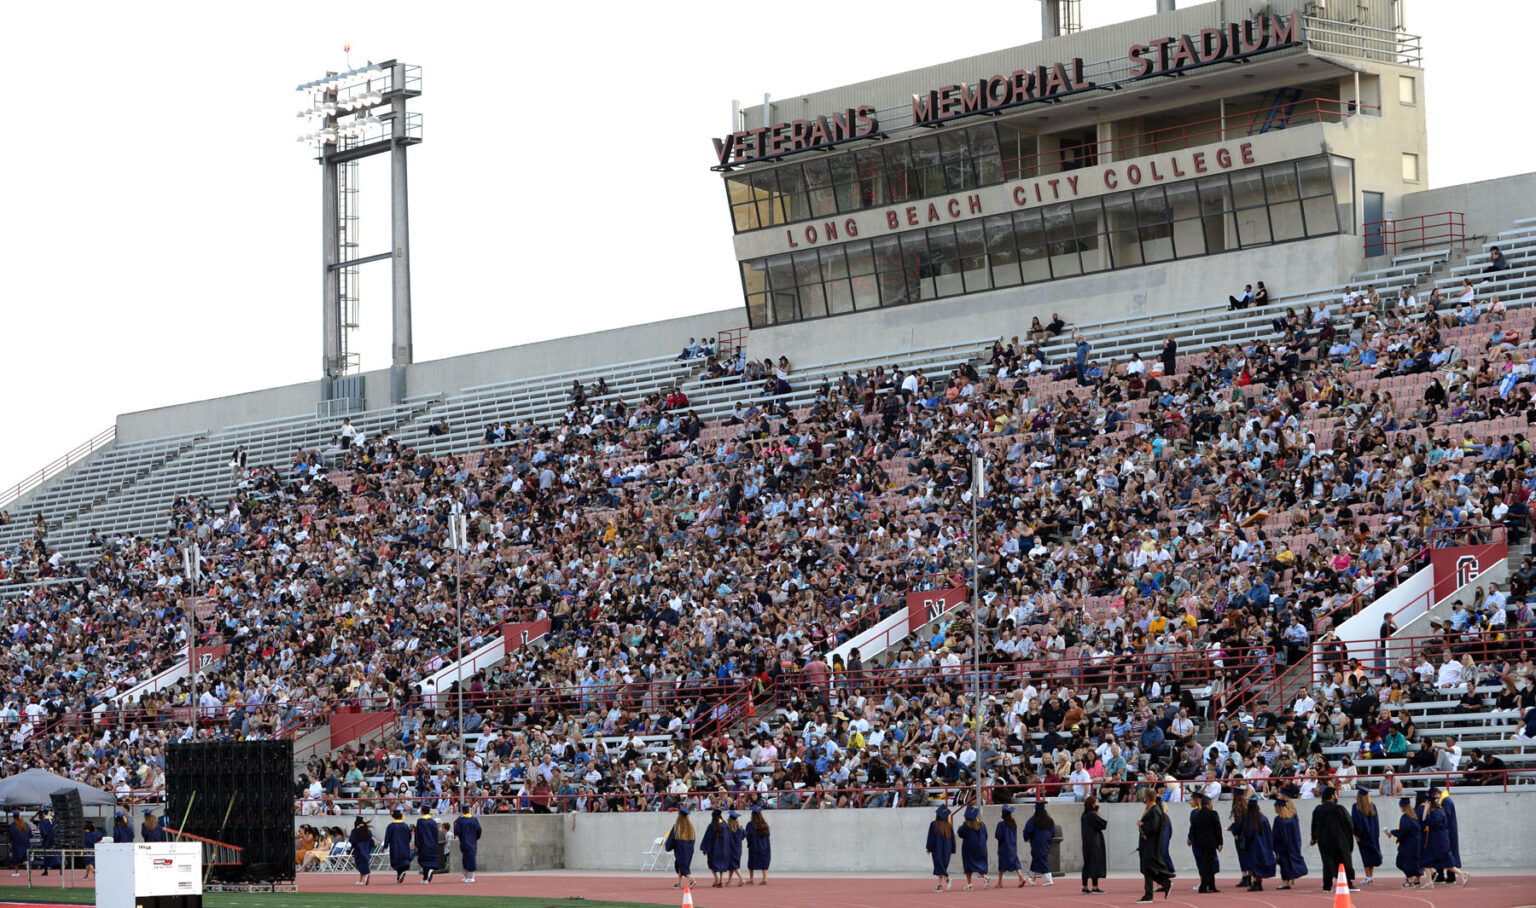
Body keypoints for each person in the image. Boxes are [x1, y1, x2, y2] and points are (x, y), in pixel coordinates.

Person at [1310, 786, 1357, 892]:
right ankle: (1348, 883)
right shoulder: (1338, 808)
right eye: (1335, 794)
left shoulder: (1318, 809)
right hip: (1339, 840)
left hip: (1324, 841)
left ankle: (1327, 885)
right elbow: (1349, 823)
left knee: (1327, 863)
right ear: (1332, 796)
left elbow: (1314, 825)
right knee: (1343, 861)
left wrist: (1313, 838)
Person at [1137, 790, 1175, 902]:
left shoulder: (1154, 810)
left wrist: (1142, 825)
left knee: (1148, 868)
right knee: (1148, 869)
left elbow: (1153, 828)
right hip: (1147, 844)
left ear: (1147, 798)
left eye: (1144, 796)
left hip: (1151, 844)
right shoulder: (1151, 809)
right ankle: (1165, 883)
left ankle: (1149, 895)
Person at [1421, 796, 1466, 886]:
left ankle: (1462, 874)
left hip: (1439, 841)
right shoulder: (1439, 811)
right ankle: (1429, 881)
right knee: (1427, 862)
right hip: (1438, 840)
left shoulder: (1436, 813)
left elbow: (1426, 821)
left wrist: (1425, 810)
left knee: (1446, 863)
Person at [1271, 789, 1308, 890]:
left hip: (1282, 846)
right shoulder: (1293, 817)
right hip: (1293, 844)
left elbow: (1275, 835)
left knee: (1284, 864)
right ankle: (1289, 880)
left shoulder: (1278, 820)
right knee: (1291, 861)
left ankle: (1285, 882)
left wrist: (1273, 845)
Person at [1188, 792, 1223, 894]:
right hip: (1210, 843)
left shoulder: (1196, 814)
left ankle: (1211, 885)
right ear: (1208, 804)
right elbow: (1218, 829)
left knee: (1206, 864)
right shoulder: (1213, 814)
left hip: (1199, 843)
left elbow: (1193, 828)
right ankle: (1204, 886)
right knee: (1209, 864)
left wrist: (1191, 839)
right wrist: (1220, 842)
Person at [1387, 797, 1424, 889]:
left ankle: (1410, 881)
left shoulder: (1405, 817)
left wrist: (1391, 832)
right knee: (1414, 862)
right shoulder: (1414, 817)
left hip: (1408, 844)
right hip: (1416, 843)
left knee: (1401, 862)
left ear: (1402, 807)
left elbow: (1403, 831)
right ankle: (1417, 881)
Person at [1240, 795, 1276, 891]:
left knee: (1254, 863)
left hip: (1253, 845)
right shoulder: (1264, 818)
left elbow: (1248, 833)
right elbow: (1269, 832)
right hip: (1264, 844)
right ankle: (1259, 882)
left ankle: (1256, 883)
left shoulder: (1249, 819)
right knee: (1260, 863)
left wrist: (1244, 842)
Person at [1431, 786, 1462, 884]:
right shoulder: (1445, 800)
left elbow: (1446, 816)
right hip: (1447, 831)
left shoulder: (1445, 801)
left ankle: (1449, 876)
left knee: (1446, 853)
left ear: (1436, 793)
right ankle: (1445, 875)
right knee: (1445, 853)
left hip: (1447, 831)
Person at [1352, 786, 1382, 886]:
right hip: (1372, 835)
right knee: (1372, 854)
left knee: (1365, 856)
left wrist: (1356, 834)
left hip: (1362, 836)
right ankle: (1370, 877)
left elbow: (1354, 822)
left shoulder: (1355, 807)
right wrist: (1376, 834)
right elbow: (1376, 822)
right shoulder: (1372, 806)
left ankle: (1368, 877)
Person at [663, 807, 697, 890]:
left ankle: (692, 880)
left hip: (680, 849)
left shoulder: (677, 827)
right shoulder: (690, 827)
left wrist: (668, 847)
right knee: (680, 866)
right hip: (689, 849)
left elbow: (672, 839)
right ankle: (678, 883)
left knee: (683, 866)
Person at [1023, 801, 1056, 886]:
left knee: (1040, 858)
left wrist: (1027, 838)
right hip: (1046, 841)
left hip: (1037, 841)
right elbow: (1053, 832)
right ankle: (1033, 878)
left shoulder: (1033, 820)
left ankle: (1049, 878)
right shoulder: (1049, 820)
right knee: (1037, 858)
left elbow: (1027, 831)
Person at [956, 805, 989, 890]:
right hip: (981, 847)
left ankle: (970, 884)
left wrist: (961, 826)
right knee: (979, 864)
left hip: (969, 848)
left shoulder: (966, 825)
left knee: (969, 866)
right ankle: (985, 877)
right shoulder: (982, 824)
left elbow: (960, 833)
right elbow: (986, 836)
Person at [1079, 795, 1107, 894]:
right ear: (1092, 804)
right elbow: (1102, 825)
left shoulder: (1084, 814)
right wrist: (1098, 814)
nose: (1097, 804)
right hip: (1094, 842)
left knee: (1087, 864)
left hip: (1086, 842)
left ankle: (1085, 886)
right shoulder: (1092, 814)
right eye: (1096, 802)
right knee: (1095, 863)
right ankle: (1095, 887)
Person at [993, 804, 1025, 889]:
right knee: (1015, 862)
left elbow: (998, 836)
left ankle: (1000, 883)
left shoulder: (1001, 825)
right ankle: (1021, 876)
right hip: (1013, 846)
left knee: (1002, 865)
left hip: (1004, 846)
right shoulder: (1013, 824)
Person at [926, 805, 955, 892]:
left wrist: (929, 847)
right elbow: (952, 838)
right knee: (942, 866)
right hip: (947, 849)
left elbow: (931, 837)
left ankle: (947, 879)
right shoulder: (949, 825)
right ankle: (939, 885)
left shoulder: (934, 824)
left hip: (937, 849)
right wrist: (952, 849)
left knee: (939, 866)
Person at [1228, 787, 1252, 889]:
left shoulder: (1237, 808)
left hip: (1241, 835)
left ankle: (1245, 876)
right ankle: (1249, 876)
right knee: (1248, 856)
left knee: (1242, 856)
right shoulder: (1246, 806)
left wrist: (1232, 828)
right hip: (1248, 834)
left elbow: (1238, 823)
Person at [700, 808, 729, 888]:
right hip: (723, 850)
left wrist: (705, 848)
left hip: (714, 850)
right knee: (722, 865)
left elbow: (707, 838)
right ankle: (722, 879)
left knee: (712, 864)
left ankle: (716, 878)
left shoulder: (711, 825)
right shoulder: (724, 825)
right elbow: (727, 838)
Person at [383, 809, 413, 884]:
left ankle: (400, 875)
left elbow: (387, 837)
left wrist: (385, 846)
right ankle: (399, 876)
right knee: (403, 861)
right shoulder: (405, 826)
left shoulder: (391, 826)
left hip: (395, 847)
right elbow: (409, 836)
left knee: (396, 862)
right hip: (404, 846)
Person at [453, 807, 481, 884]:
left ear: (463, 811)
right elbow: (479, 830)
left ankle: (470, 875)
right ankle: (468, 875)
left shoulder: (461, 820)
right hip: (472, 840)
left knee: (466, 857)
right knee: (470, 856)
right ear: (469, 810)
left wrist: (461, 837)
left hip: (464, 841)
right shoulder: (474, 819)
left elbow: (457, 831)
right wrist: (475, 838)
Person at [745, 805, 770, 885]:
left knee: (751, 863)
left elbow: (748, 835)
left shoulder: (750, 824)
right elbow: (768, 836)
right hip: (765, 846)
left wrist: (749, 844)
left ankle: (751, 879)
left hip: (754, 846)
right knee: (764, 862)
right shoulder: (765, 824)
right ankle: (765, 878)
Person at [414, 806, 440, 883]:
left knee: (423, 860)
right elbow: (436, 833)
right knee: (430, 859)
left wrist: (416, 844)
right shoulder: (433, 821)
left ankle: (425, 878)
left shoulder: (420, 821)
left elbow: (417, 834)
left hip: (423, 844)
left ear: (422, 812)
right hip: (432, 844)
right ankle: (427, 875)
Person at [349, 817, 375, 886]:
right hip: (366, 849)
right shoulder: (367, 831)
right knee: (365, 863)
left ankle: (367, 873)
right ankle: (361, 880)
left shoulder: (354, 831)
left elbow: (351, 840)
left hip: (358, 849)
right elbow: (371, 840)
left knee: (359, 865)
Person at [724, 810, 746, 887]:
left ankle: (741, 878)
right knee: (732, 865)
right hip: (738, 848)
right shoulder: (740, 828)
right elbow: (744, 836)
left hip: (730, 849)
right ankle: (729, 880)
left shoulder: (728, 829)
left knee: (734, 865)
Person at [35, 808, 56, 876]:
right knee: (57, 853)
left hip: (47, 840)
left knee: (46, 855)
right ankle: (61, 868)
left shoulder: (43, 822)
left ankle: (46, 870)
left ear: (43, 813)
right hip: (54, 840)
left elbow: (43, 833)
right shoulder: (53, 820)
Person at [8, 811, 29, 878]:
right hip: (26, 842)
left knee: (16, 857)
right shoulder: (25, 824)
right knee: (25, 857)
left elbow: (11, 834)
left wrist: (11, 840)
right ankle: (28, 870)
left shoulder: (13, 825)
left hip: (17, 842)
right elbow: (30, 833)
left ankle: (17, 872)